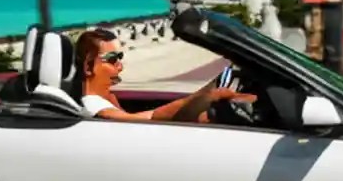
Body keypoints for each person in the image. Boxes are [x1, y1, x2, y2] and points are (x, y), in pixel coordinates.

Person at [73, 28, 253, 122]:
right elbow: (139, 122)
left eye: (120, 58)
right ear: (89, 66)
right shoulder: (97, 109)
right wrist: (205, 95)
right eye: (113, 60)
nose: (120, 67)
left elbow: (147, 116)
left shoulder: (107, 98)